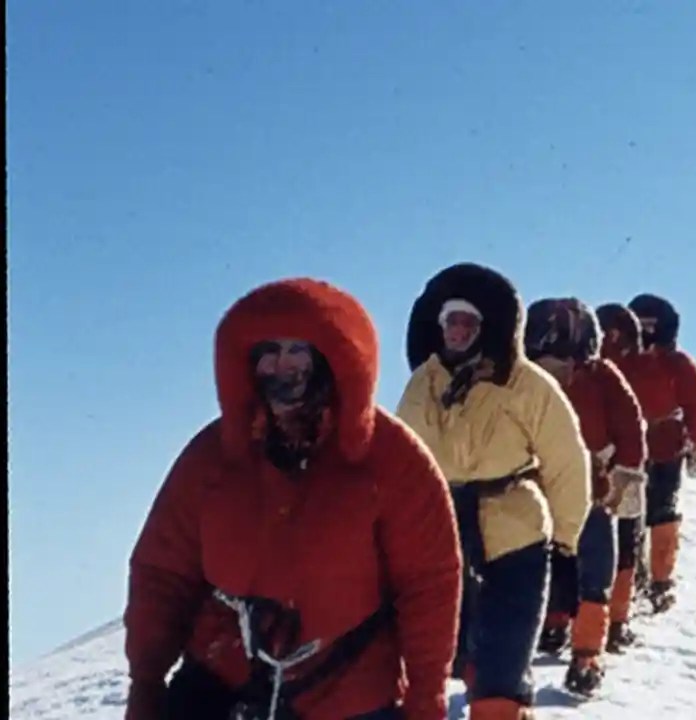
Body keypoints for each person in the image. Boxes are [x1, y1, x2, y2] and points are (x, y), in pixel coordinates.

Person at [124, 278, 463, 720]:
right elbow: (163, 572)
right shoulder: (211, 459)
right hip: (221, 681)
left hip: (349, 695)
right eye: (268, 350)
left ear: (333, 356)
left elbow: (428, 584)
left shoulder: (394, 460)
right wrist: (146, 682)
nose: (282, 365)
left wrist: (427, 697)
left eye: (297, 349)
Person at [397, 263, 590, 720]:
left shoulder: (527, 384)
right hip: (440, 539)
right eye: (452, 321)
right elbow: (400, 462)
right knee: (444, 660)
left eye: (469, 322)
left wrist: (566, 546)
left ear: (486, 327)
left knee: (502, 669)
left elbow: (566, 462)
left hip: (516, 539)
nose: (459, 331)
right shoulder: (422, 384)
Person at [524, 298, 647, 695]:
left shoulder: (599, 377)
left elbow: (629, 425)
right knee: (552, 566)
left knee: (591, 571)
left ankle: (586, 652)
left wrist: (626, 473)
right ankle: (557, 628)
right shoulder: (525, 381)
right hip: (543, 493)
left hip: (590, 492)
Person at [625, 293, 696, 614]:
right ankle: (632, 580)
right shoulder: (622, 361)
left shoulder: (679, 364)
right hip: (628, 451)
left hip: (665, 451)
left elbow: (695, 406)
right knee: (628, 518)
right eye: (640, 325)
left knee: (662, 516)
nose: (646, 332)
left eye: (651, 326)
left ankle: (660, 581)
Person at [593, 303, 653, 651]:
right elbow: (632, 422)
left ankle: (570, 621)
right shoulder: (625, 369)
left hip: (586, 467)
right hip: (623, 465)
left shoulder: (583, 367)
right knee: (626, 540)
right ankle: (616, 621)